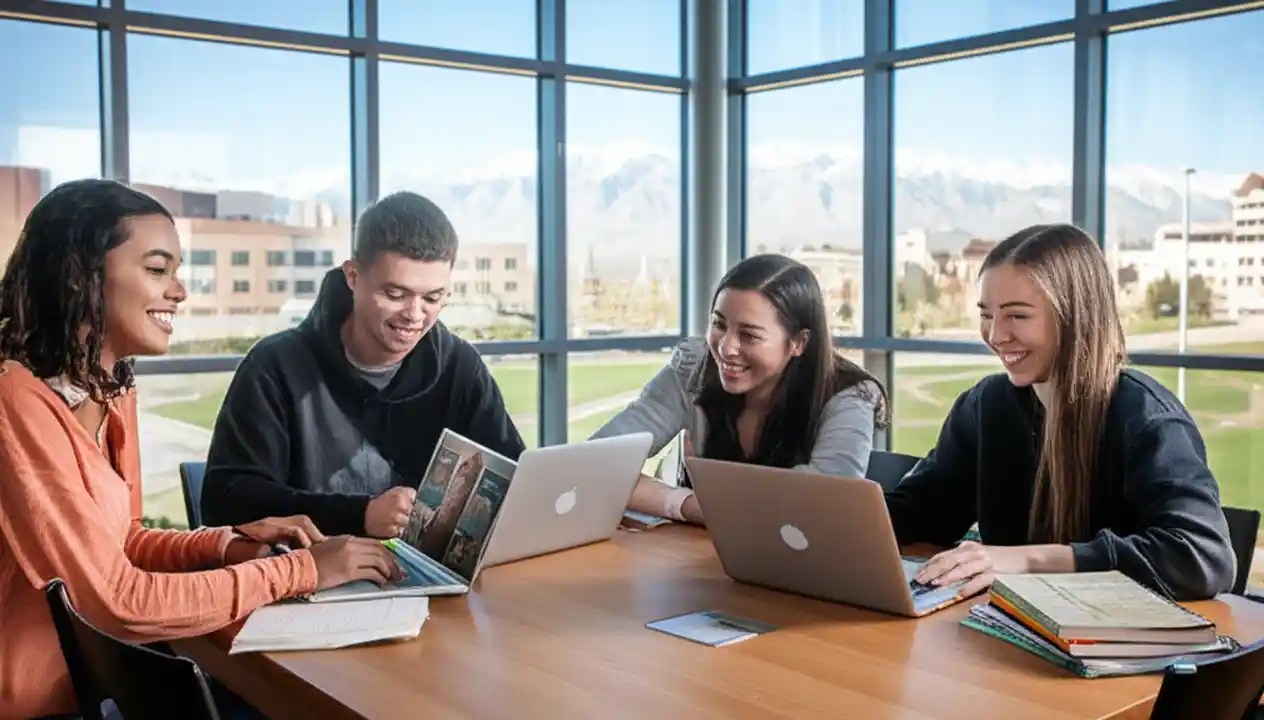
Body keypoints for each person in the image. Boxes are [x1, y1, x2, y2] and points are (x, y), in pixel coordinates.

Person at [0, 179, 400, 719]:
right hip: (41, 703)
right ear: (83, 276)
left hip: (97, 685)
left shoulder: (112, 389)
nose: (180, 290)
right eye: (158, 269)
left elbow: (125, 541)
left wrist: (226, 545)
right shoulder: (14, 398)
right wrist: (302, 570)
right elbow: (116, 600)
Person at [887, 223, 1235, 602]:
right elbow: (925, 509)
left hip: (1119, 649)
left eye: (1016, 316)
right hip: (1011, 634)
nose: (996, 335)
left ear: (1074, 315)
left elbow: (1201, 558)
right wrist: (828, 520)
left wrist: (1023, 560)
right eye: (987, 315)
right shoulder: (986, 406)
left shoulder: (1146, 417)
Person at [201, 191, 524, 538]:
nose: (415, 315)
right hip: (311, 580)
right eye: (395, 295)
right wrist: (360, 515)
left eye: (433, 297)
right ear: (353, 277)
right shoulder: (274, 367)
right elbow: (225, 502)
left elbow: (518, 480)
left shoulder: (460, 364)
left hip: (431, 581)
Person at [591, 253, 887, 524]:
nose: (726, 347)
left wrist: (698, 506)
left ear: (798, 343)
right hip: (702, 559)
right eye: (719, 324)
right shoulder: (694, 369)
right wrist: (686, 504)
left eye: (749, 335)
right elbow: (597, 461)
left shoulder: (849, 396)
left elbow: (825, 505)